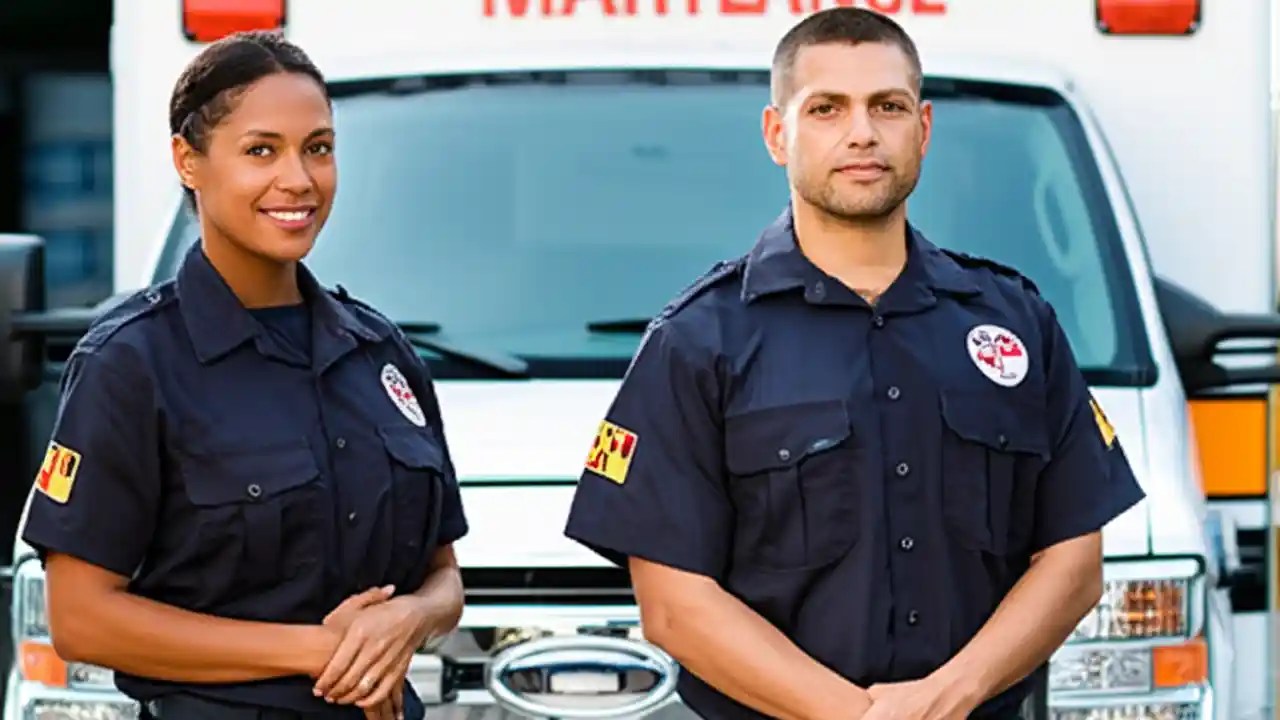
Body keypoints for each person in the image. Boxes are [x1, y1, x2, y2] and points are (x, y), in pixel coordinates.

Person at [563, 7, 1145, 720]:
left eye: (888, 106)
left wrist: (948, 695)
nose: (862, 132)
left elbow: (1074, 562)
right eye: (827, 108)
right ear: (779, 134)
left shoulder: (1015, 323)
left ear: (923, 129)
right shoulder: (698, 340)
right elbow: (675, 605)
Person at [18, 30, 469, 720]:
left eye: (318, 148)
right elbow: (82, 620)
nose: (299, 179)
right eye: (262, 150)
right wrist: (317, 652)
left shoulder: (381, 353)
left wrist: (407, 620)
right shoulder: (132, 362)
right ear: (188, 161)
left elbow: (444, 576)